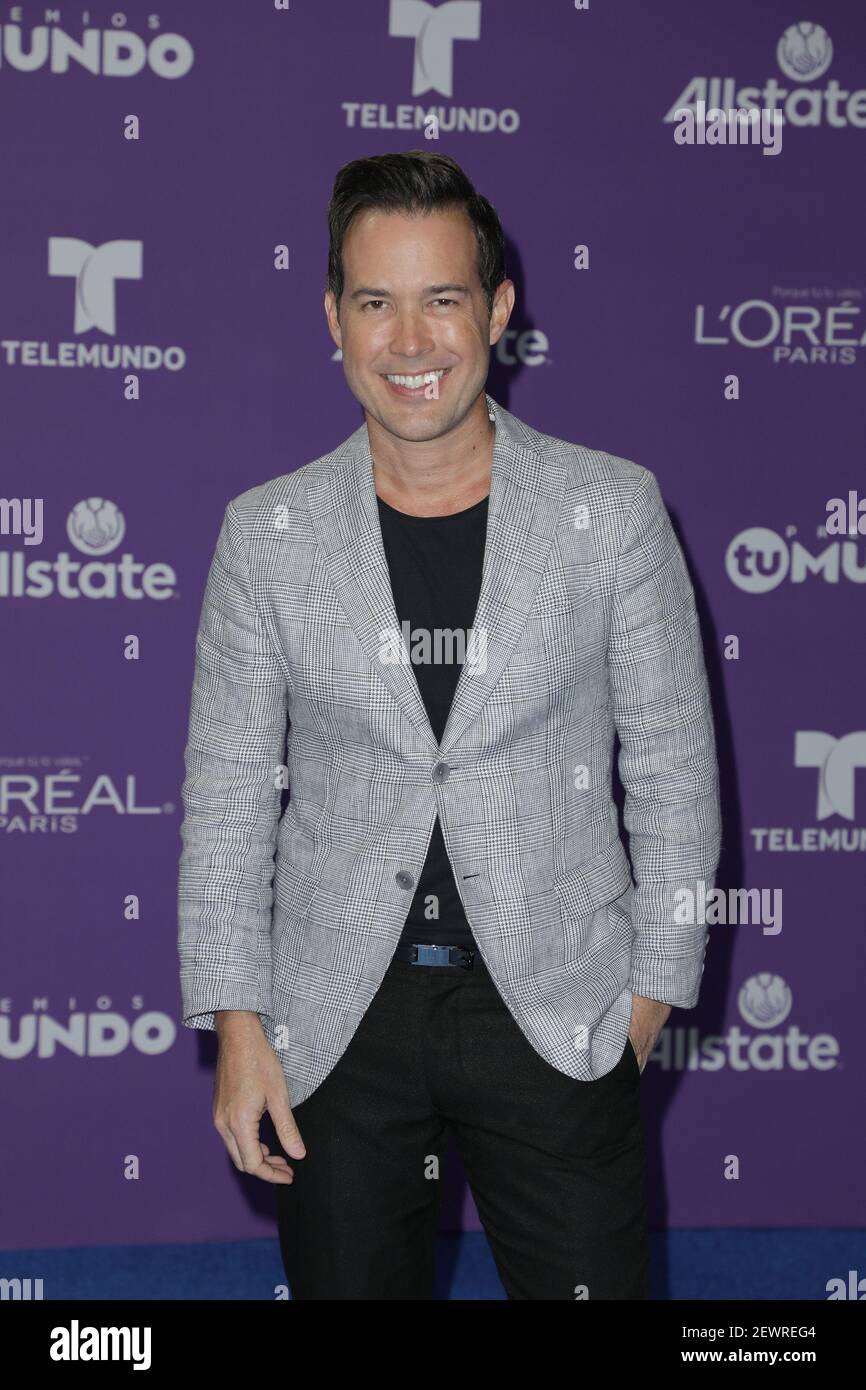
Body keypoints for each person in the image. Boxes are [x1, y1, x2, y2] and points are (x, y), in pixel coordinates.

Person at [177, 150, 721, 1300]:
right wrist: (238, 1023)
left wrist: (645, 999)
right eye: (375, 302)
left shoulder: (610, 514)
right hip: (338, 1024)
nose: (409, 342)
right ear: (332, 316)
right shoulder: (263, 536)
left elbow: (673, 769)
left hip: (558, 1006)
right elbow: (226, 798)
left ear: (499, 310)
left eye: (442, 300)